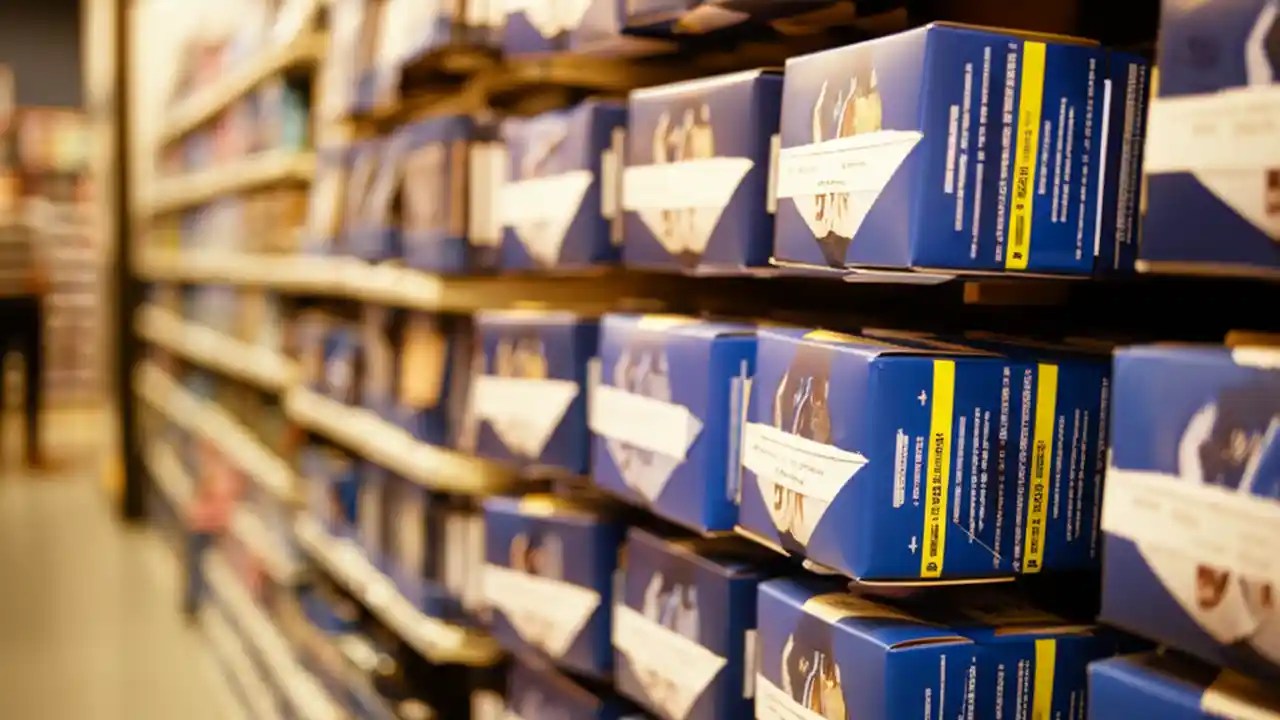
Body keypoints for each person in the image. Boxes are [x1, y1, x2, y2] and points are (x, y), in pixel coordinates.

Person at [0, 220, 45, 468]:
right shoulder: (31, 227)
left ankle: (32, 448)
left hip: (27, 308)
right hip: (10, 307)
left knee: (33, 381)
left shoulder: (33, 227)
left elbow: (43, 273)